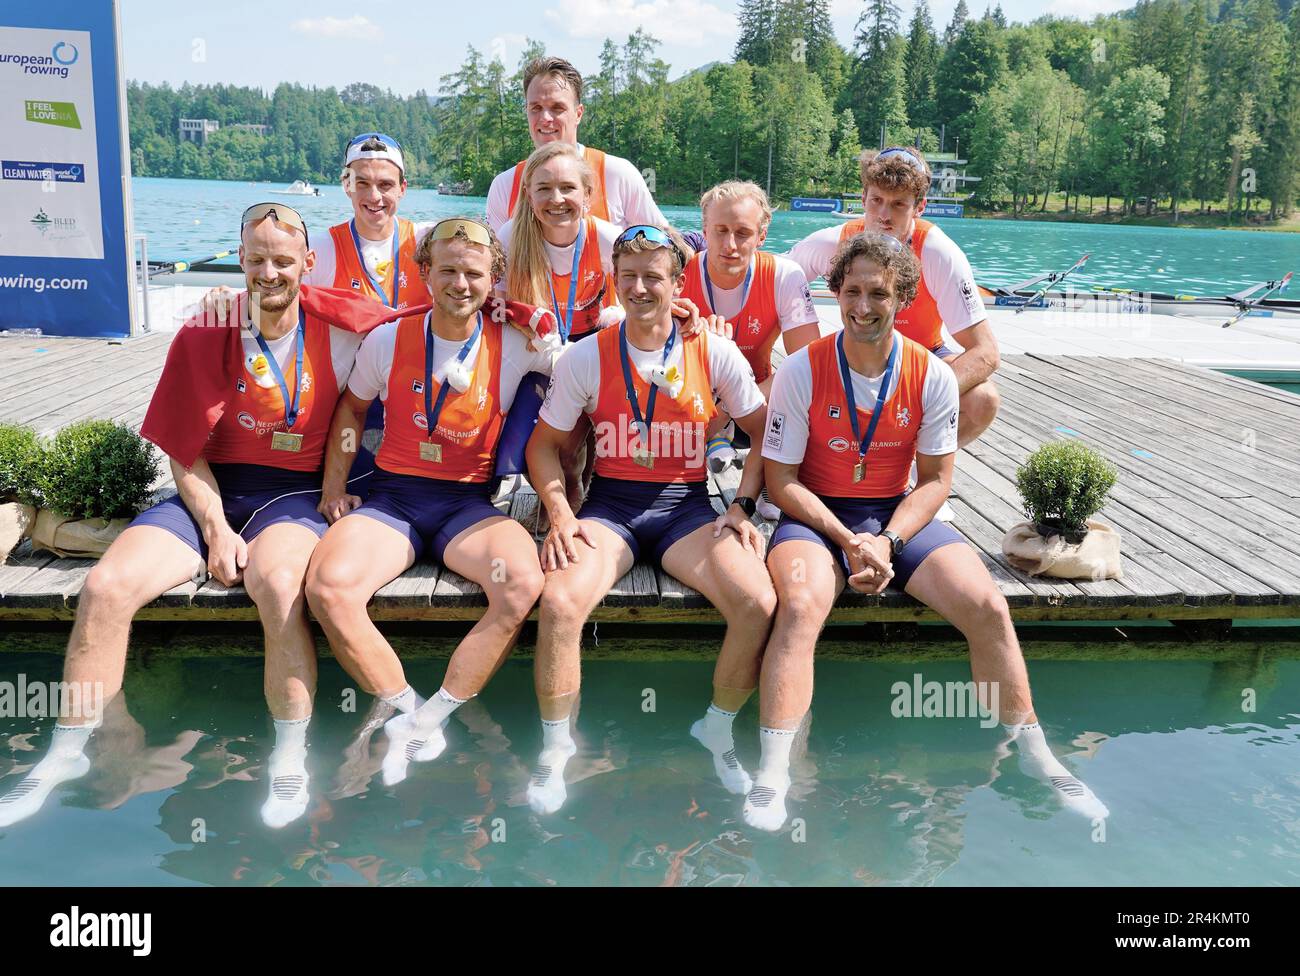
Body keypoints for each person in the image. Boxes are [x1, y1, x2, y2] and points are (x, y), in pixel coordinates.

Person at [0, 204, 411, 830]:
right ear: (239, 260)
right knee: (105, 590)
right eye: (256, 261)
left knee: (277, 587)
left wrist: (516, 314)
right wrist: (215, 529)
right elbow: (182, 452)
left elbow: (437, 316)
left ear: (308, 263)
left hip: (293, 498)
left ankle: (289, 752)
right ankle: (69, 748)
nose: (269, 273)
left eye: (282, 260)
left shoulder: (345, 325)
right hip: (211, 491)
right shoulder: (204, 330)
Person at [749, 231, 1108, 831]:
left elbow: (936, 481)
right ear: (835, 292)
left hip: (898, 516)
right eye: (853, 291)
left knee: (989, 606)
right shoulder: (802, 370)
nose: (863, 306)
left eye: (880, 294)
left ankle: (1036, 752)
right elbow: (782, 480)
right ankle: (774, 770)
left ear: (903, 297)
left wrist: (885, 542)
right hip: (816, 516)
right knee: (801, 605)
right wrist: (847, 539)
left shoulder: (935, 376)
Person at [523, 224, 776, 815]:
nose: (640, 289)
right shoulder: (588, 354)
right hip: (612, 509)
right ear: (615, 282)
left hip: (687, 506)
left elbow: (768, 434)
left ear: (678, 283)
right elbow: (542, 445)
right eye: (628, 277)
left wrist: (741, 502)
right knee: (560, 603)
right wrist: (560, 510)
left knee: (757, 603)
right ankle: (556, 748)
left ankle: (717, 728)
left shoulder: (712, 350)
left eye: (653, 278)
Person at [303, 218, 552, 788]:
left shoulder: (520, 343)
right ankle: (407, 709)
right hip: (394, 500)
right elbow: (351, 411)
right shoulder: (390, 338)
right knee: (330, 588)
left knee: (518, 583)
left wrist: (679, 322)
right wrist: (335, 486)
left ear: (494, 279)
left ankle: (435, 715)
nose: (460, 283)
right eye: (447, 270)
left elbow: (596, 370)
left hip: (469, 507)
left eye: (473, 273)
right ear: (424, 274)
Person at [788, 147, 999, 450]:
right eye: (876, 201)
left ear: (920, 207)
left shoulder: (940, 253)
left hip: (921, 358)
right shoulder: (833, 242)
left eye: (899, 204)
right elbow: (774, 278)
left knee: (984, 400)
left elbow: (987, 352)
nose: (884, 216)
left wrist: (922, 396)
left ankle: (910, 461)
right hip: (853, 354)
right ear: (863, 199)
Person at [679, 180, 819, 518]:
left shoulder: (784, 275)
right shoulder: (679, 273)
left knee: (813, 389)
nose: (730, 245)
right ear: (704, 229)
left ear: (762, 235)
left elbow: (809, 362)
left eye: (742, 233)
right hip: (692, 396)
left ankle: (776, 478)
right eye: (720, 231)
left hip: (757, 397)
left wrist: (733, 401)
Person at [485, 56, 667, 234]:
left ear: (578, 114)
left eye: (557, 108)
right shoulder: (504, 186)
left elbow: (666, 247)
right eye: (536, 108)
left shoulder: (617, 174)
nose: (545, 118)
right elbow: (492, 260)